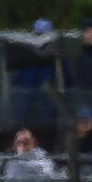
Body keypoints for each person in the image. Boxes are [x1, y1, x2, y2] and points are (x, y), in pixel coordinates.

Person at [11, 19, 67, 152]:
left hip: (50, 116)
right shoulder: (26, 59)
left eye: (44, 36)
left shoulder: (58, 59)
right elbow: (17, 85)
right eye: (38, 36)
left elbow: (65, 84)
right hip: (28, 115)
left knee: (48, 149)